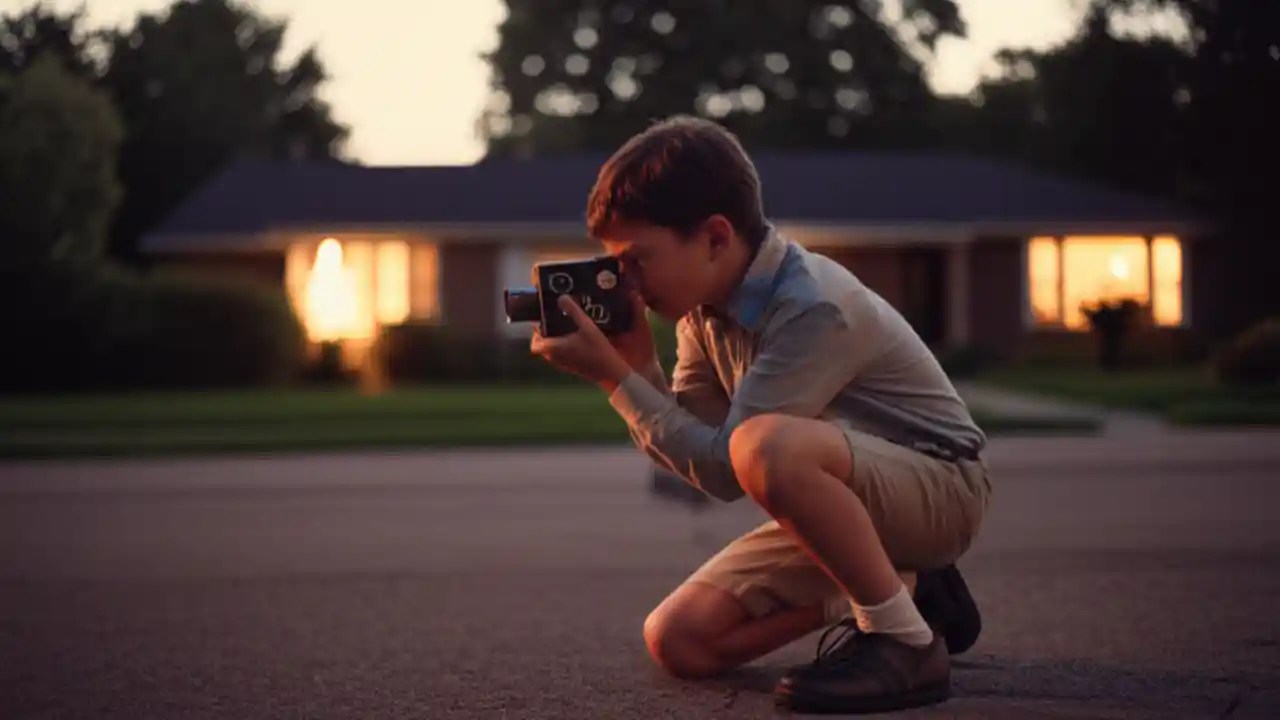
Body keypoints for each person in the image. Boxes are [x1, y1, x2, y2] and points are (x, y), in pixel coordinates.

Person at [530, 115, 991, 715]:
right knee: (678, 640)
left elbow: (733, 464)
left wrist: (616, 382)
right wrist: (636, 367)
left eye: (638, 260)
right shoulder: (703, 315)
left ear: (715, 237)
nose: (628, 284)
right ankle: (910, 590)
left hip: (941, 491)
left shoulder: (813, 305)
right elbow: (699, 451)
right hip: (848, 508)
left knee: (763, 446)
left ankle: (904, 642)